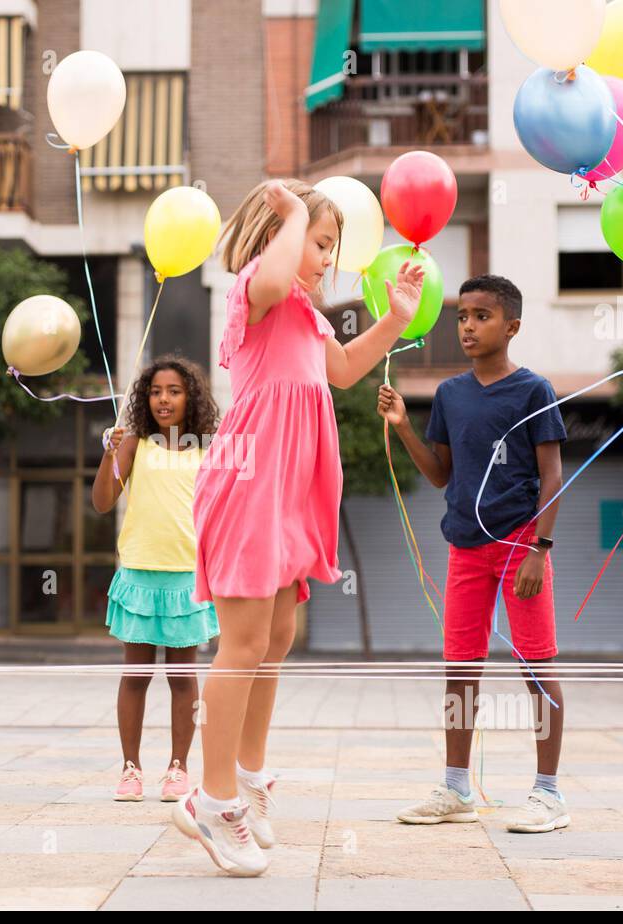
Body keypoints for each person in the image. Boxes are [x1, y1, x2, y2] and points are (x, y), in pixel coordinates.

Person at [173, 178, 424, 876]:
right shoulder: (257, 286)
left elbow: (343, 371)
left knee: (275, 640)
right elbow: (279, 271)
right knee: (244, 643)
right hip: (251, 484)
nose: (325, 259)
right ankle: (212, 800)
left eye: (330, 247)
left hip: (290, 490)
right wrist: (290, 216)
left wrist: (396, 317)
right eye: (320, 243)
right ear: (279, 233)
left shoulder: (308, 316)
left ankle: (247, 781)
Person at [380, 275, 569, 835]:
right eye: (462, 315)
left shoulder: (534, 391)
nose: (467, 325)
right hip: (465, 547)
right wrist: (403, 428)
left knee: (537, 665)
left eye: (482, 316)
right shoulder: (449, 395)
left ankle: (549, 794)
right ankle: (456, 787)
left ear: (511, 327)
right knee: (459, 669)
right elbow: (441, 474)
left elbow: (553, 474)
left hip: (520, 545)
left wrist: (541, 547)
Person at [91, 355, 221, 803]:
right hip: (140, 572)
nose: (163, 400)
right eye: (155, 392)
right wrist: (108, 455)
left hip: (187, 576)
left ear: (191, 398)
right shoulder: (134, 444)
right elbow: (103, 502)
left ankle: (178, 769)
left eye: (174, 391)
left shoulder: (208, 447)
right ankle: (130, 770)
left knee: (184, 677)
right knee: (136, 674)